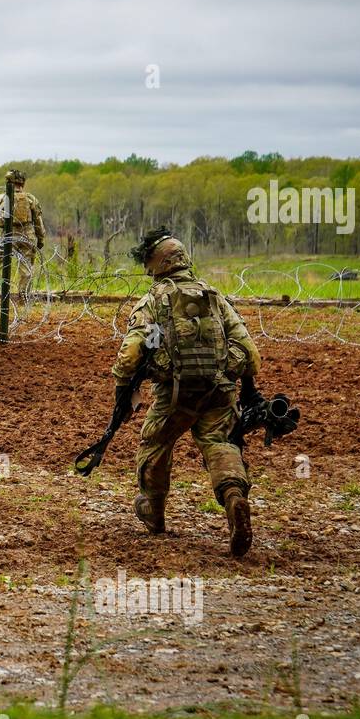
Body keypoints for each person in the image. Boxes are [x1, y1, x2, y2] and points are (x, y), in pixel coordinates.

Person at [110, 228, 261, 555]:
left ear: (156, 265)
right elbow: (250, 353)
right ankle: (234, 497)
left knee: (157, 443)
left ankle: (154, 512)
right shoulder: (214, 297)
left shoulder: (153, 300)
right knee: (219, 443)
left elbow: (130, 354)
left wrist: (122, 392)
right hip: (220, 391)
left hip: (175, 395)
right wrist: (239, 382)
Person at [0, 169, 44, 301]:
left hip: (7, 235)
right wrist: (40, 238)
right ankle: (23, 298)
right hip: (27, 236)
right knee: (26, 269)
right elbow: (38, 222)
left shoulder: (1, 198)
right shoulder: (31, 199)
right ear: (22, 183)